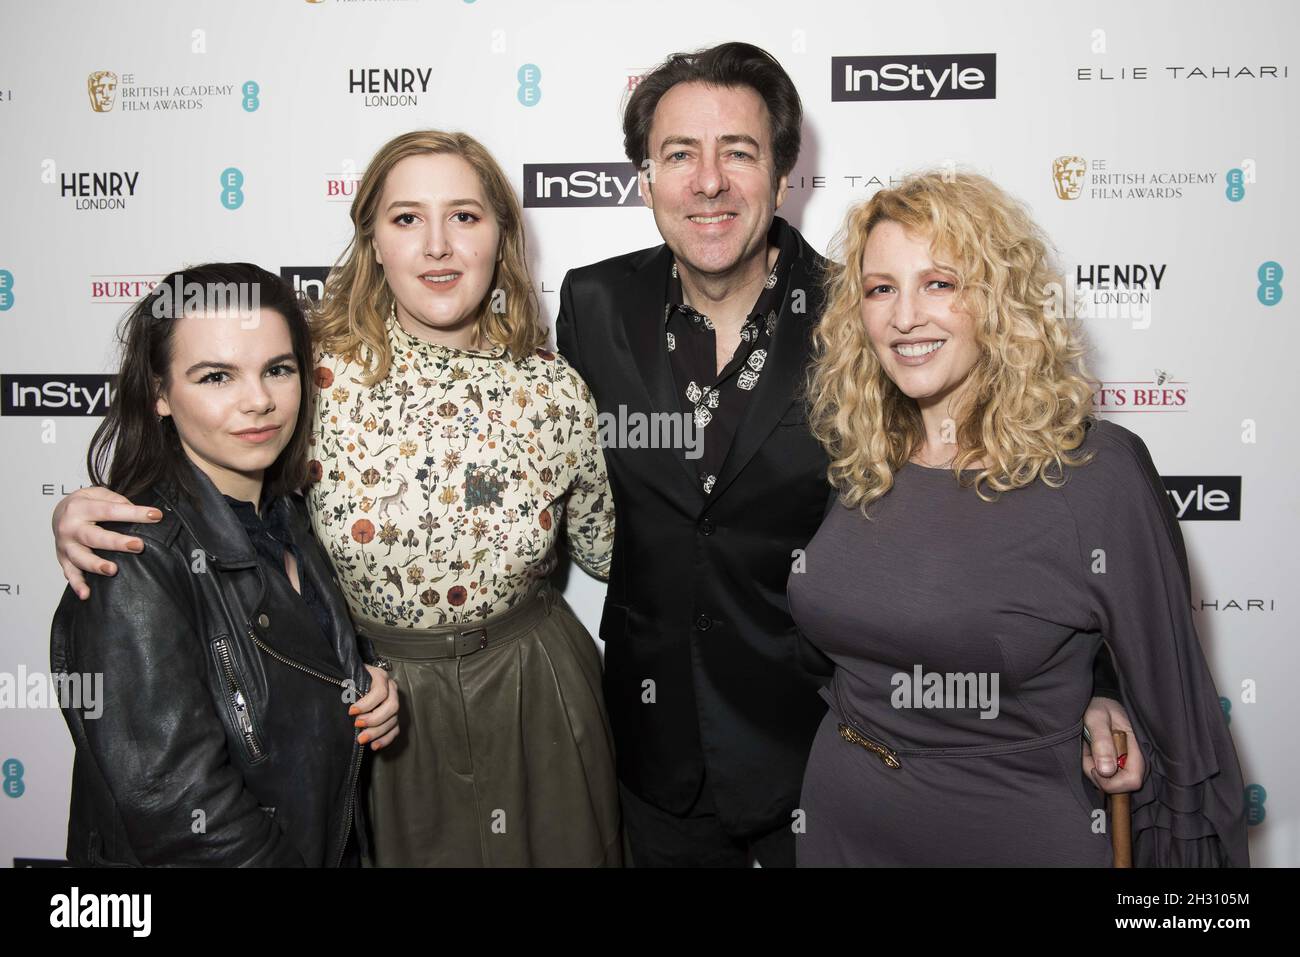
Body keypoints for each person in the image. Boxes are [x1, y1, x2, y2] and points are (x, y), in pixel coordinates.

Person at [556, 41, 1144, 867]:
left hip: (826, 752)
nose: (709, 181)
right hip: (651, 755)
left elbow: (1016, 487)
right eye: (679, 154)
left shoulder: (866, 312)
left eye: (740, 152)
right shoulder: (593, 302)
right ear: (645, 176)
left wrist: (1098, 684)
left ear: (785, 170)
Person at [52, 131, 622, 867]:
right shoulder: (305, 367)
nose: (438, 246)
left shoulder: (554, 389)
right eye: (408, 218)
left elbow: (610, 548)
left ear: (502, 235)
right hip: (373, 706)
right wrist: (79, 509)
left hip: (533, 687)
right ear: (373, 241)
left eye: (466, 217)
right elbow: (199, 441)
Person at [791, 172, 1249, 866]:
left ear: (998, 300)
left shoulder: (1097, 473)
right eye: (881, 288)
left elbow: (1178, 726)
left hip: (1007, 832)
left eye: (940, 283)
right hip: (841, 821)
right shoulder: (863, 453)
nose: (905, 316)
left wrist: (1103, 696)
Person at [51, 263, 399, 866]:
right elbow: (181, 815)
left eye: (278, 370)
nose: (259, 400)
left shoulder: (286, 518)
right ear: (159, 394)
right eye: (216, 376)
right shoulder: (131, 558)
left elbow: (290, 686)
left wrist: (371, 688)